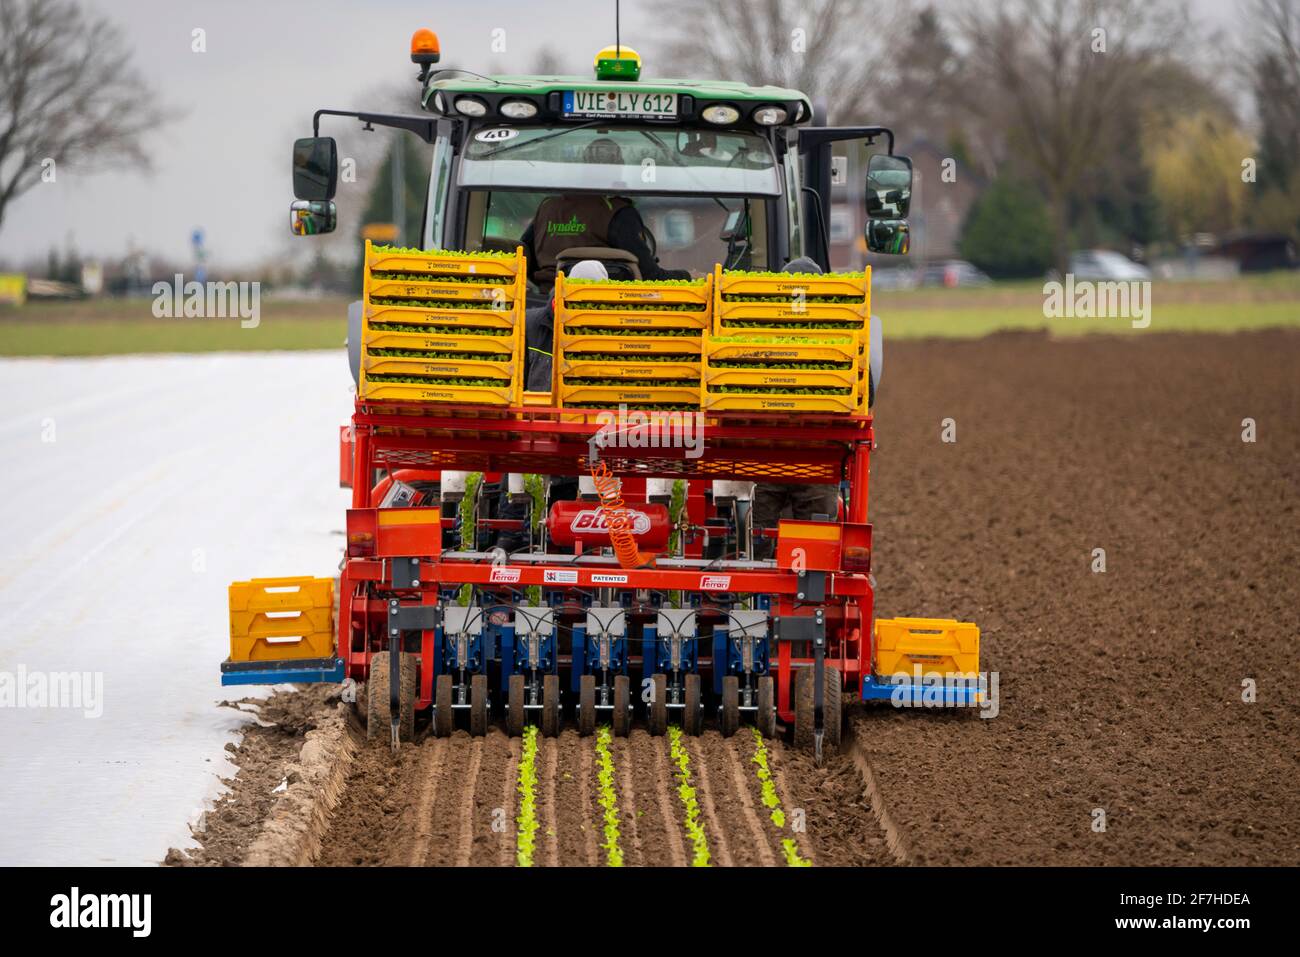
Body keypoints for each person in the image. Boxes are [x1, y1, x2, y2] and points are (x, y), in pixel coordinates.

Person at [519, 138, 690, 286]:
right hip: (606, 306)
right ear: (620, 167)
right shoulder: (619, 213)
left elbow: (523, 258)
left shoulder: (548, 207)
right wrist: (689, 276)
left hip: (545, 298)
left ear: (584, 166)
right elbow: (650, 277)